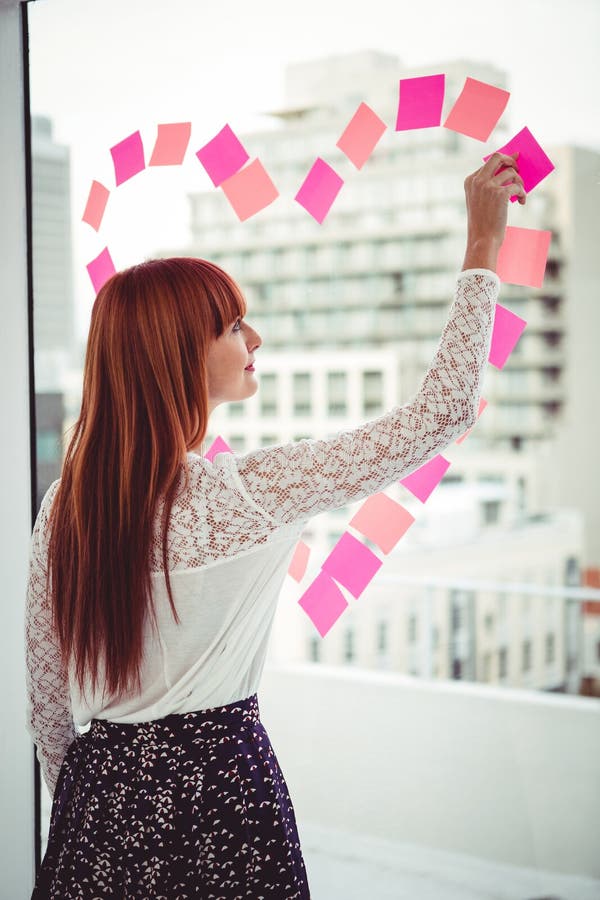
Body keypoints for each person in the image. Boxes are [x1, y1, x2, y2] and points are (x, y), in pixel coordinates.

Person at [25, 151, 525, 899]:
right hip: (225, 799)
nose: (254, 339)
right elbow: (441, 416)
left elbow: (45, 704)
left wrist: (93, 809)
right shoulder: (249, 491)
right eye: (233, 326)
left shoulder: (66, 507)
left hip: (97, 803)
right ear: (176, 357)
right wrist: (482, 247)